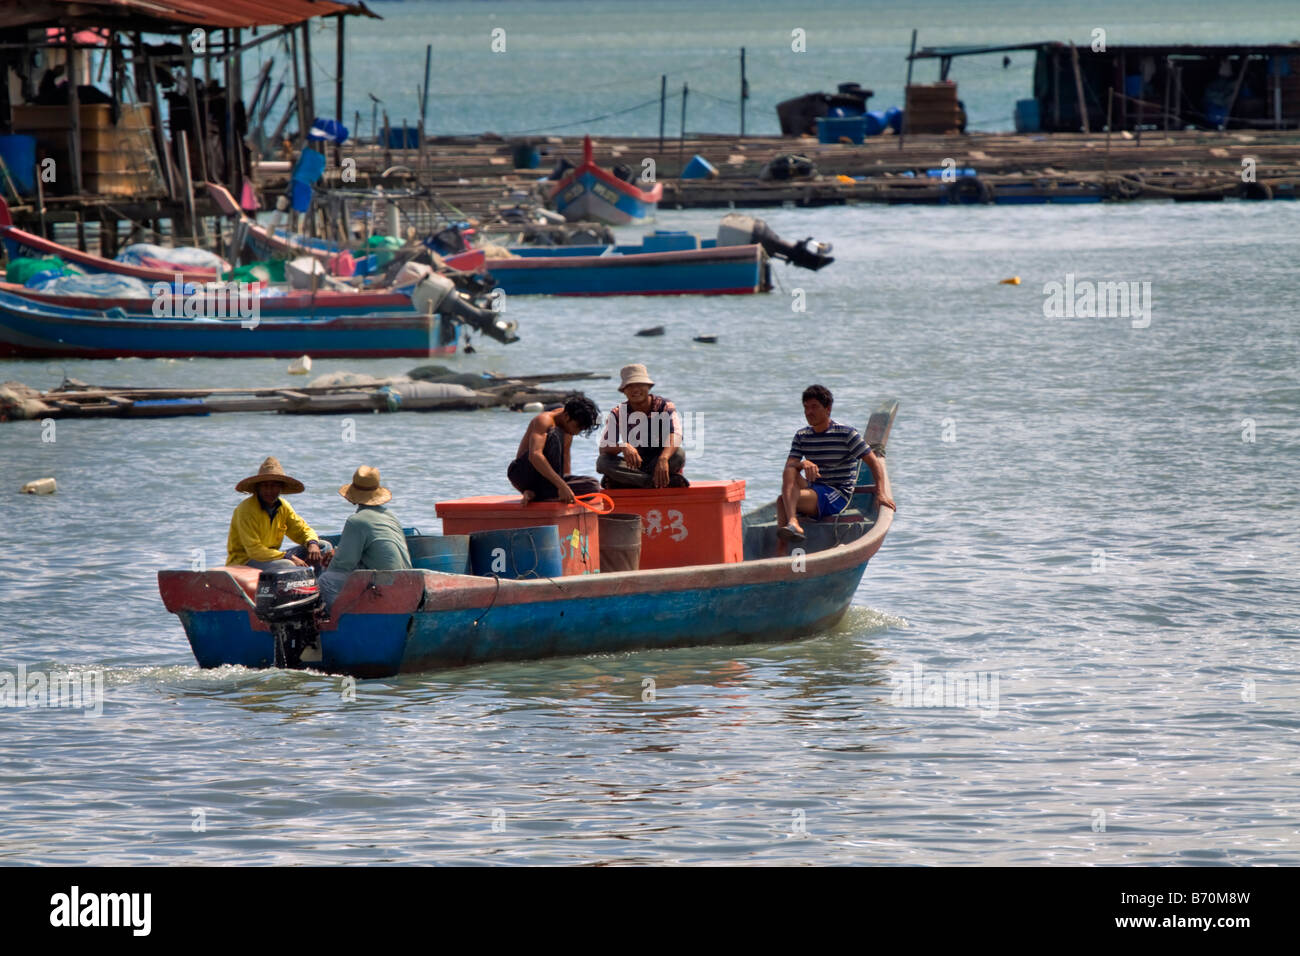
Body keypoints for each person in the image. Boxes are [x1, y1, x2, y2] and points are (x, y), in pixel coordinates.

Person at [777, 385, 896, 542]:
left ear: (828, 409)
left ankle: (784, 541)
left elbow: (873, 462)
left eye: (814, 407)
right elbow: (789, 467)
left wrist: (881, 493)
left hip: (836, 494)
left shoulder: (846, 433)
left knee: (782, 501)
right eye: (806, 407)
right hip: (813, 487)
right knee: (789, 472)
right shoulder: (802, 436)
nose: (809, 412)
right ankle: (793, 525)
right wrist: (803, 464)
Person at [316, 466, 413, 610]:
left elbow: (343, 565)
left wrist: (323, 567)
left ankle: (338, 621)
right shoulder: (390, 516)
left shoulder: (356, 521)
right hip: (407, 581)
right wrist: (337, 551)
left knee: (326, 580)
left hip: (385, 583)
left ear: (353, 497)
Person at [226, 457, 332, 569]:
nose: (269, 490)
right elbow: (254, 551)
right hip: (246, 560)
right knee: (287, 564)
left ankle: (318, 583)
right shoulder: (246, 510)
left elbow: (301, 530)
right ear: (258, 488)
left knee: (324, 547)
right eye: (265, 486)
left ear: (281, 487)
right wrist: (288, 557)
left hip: (272, 556)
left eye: (274, 486)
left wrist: (312, 543)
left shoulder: (283, 507)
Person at [596, 364, 688, 489]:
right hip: (634, 464)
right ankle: (652, 482)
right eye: (630, 386)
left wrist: (663, 458)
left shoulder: (664, 406)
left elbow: (676, 435)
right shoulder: (618, 412)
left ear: (648, 387)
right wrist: (623, 446)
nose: (635, 389)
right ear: (624, 391)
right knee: (603, 462)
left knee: (678, 454)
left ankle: (628, 482)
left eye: (639, 384)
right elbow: (604, 448)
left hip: (659, 461)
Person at [507, 393, 602, 504]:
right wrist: (562, 486)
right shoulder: (544, 420)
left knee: (593, 485)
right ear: (566, 416)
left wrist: (566, 488)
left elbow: (565, 460)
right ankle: (540, 491)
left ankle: (536, 494)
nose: (577, 433)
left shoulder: (568, 429)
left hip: (547, 482)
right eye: (578, 428)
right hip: (523, 474)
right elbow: (535, 455)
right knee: (555, 433)